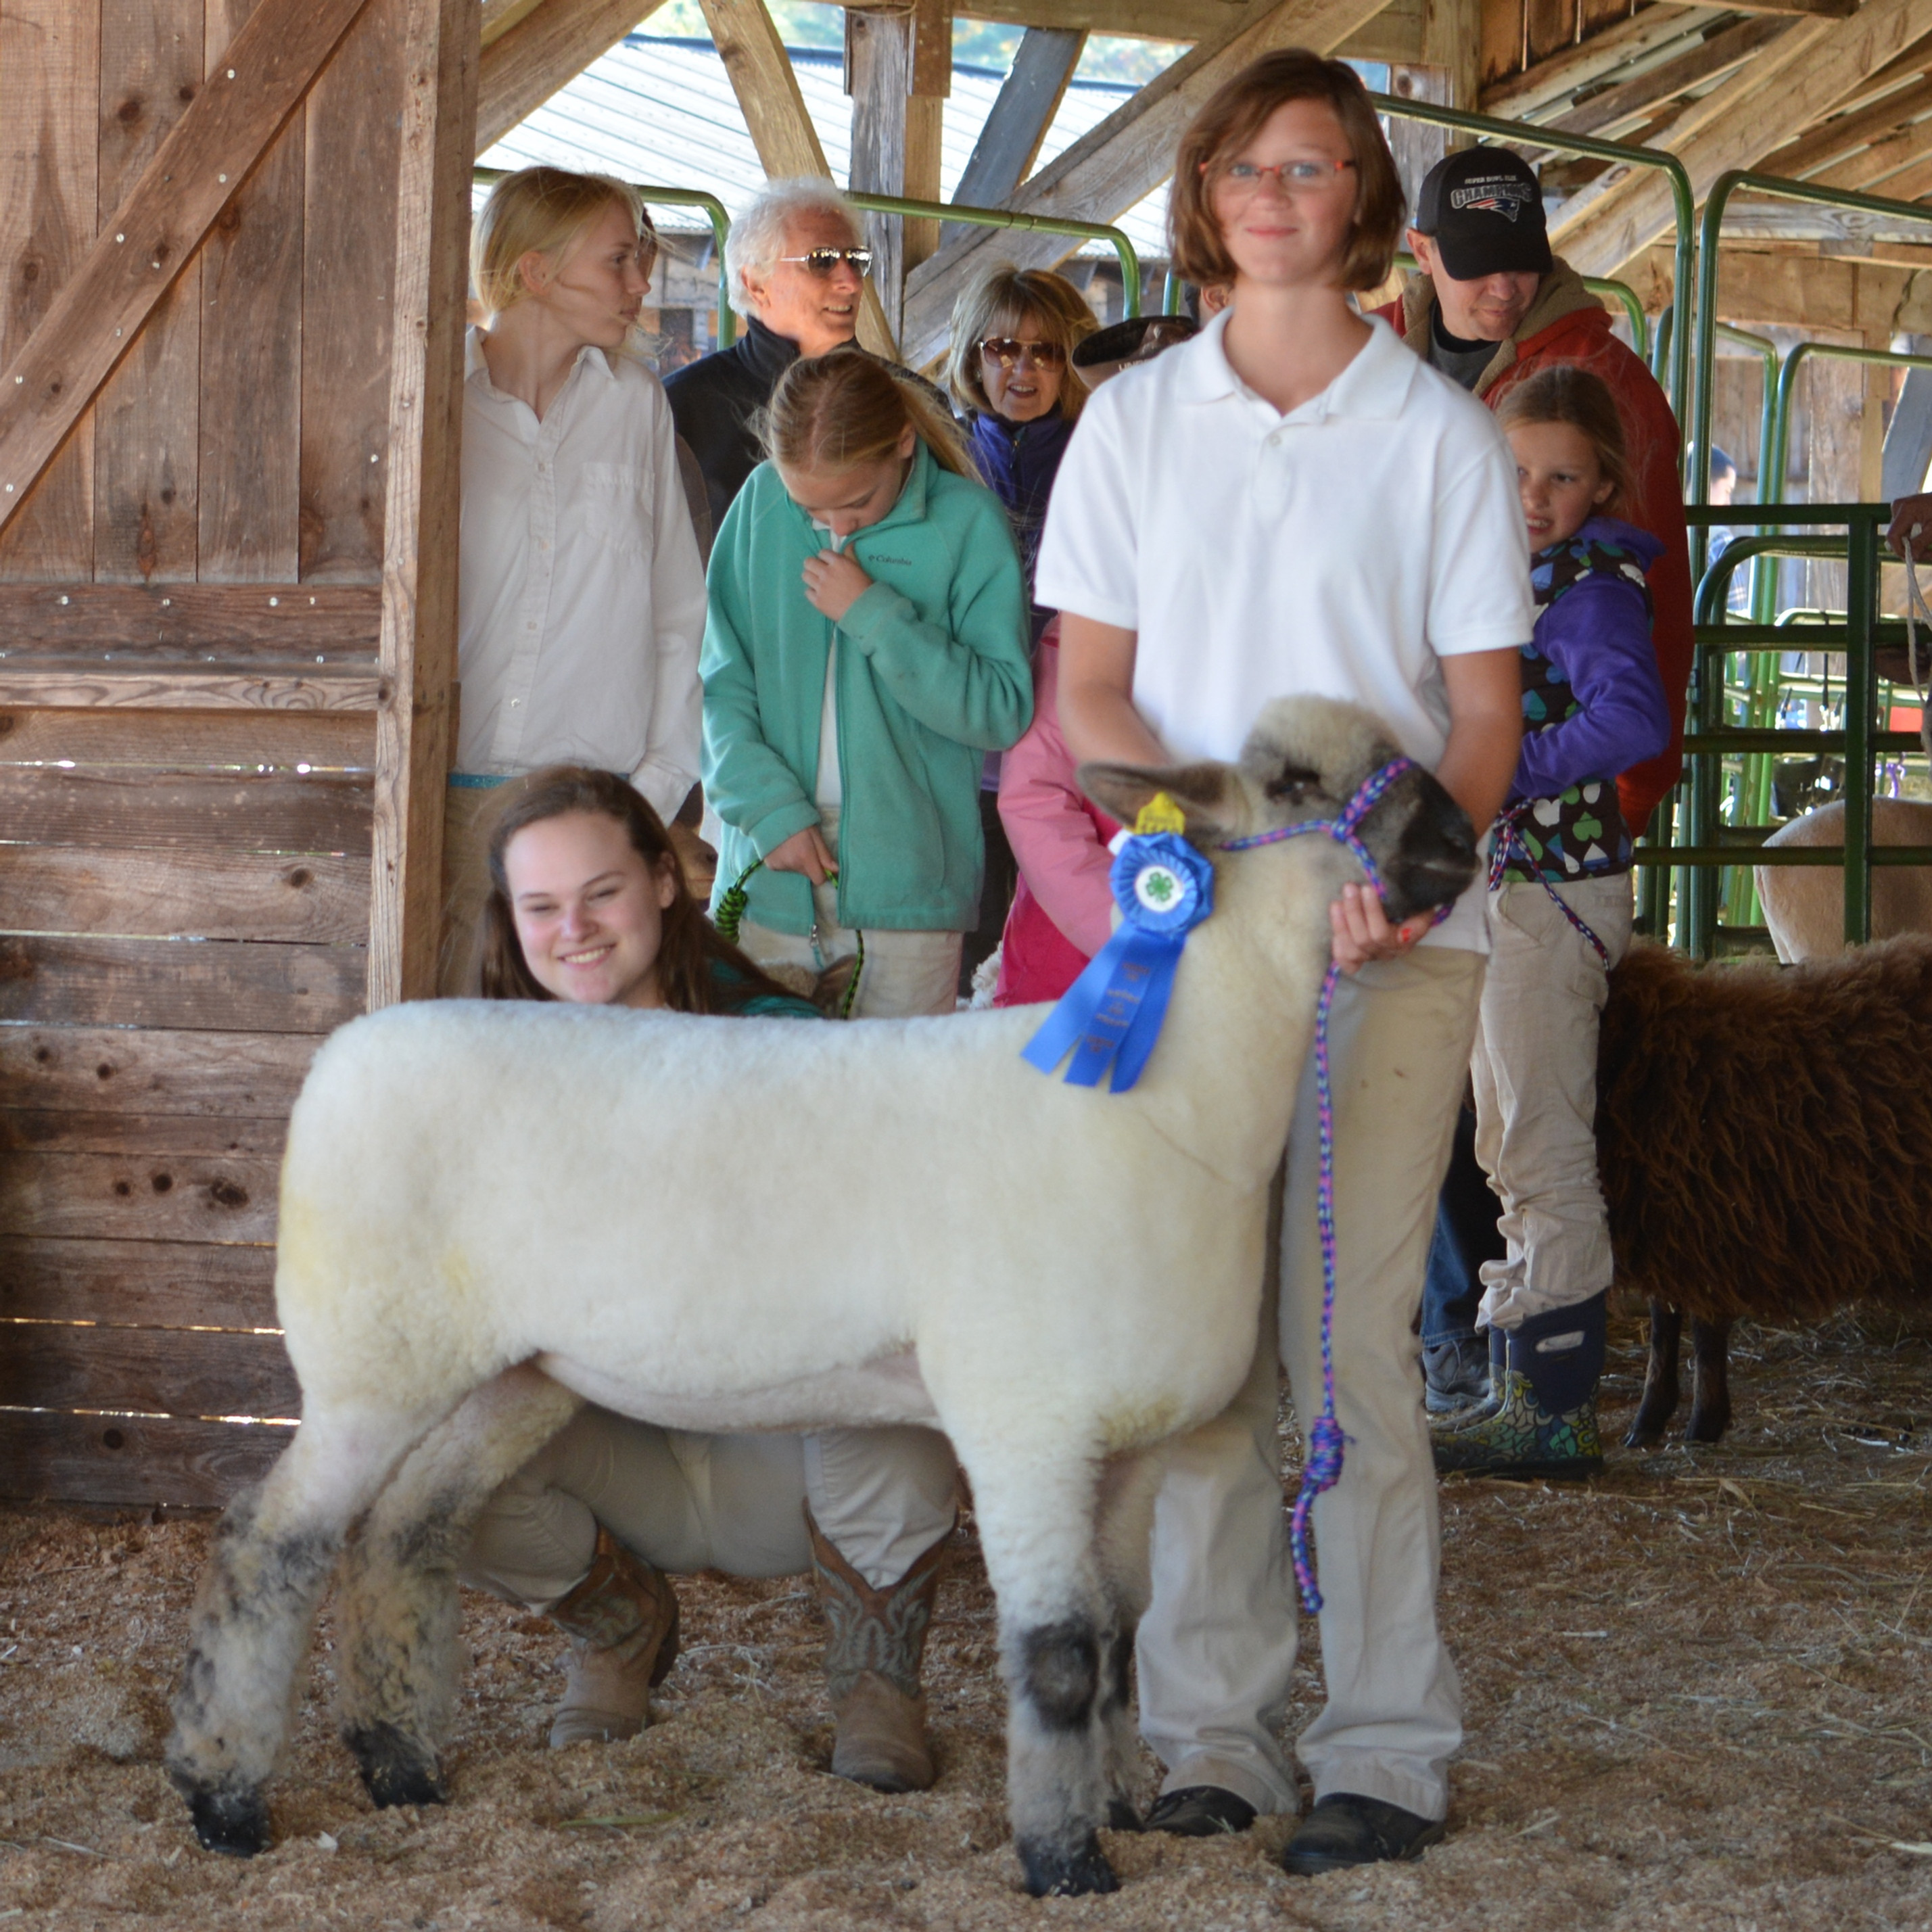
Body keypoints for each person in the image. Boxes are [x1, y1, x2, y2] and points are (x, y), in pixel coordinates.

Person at [1038, 49, 1530, 1874]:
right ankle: (1212, 1733)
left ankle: (1386, 1741)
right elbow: (1093, 692)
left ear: (1364, 202)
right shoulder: (1131, 423)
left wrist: (1401, 876)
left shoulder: (1439, 438)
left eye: (1308, 166)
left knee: (1350, 1348)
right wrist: (1203, 842)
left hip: (1388, 941)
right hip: (1198, 936)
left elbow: (1481, 716)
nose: (1270, 194)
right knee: (1208, 1341)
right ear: (1203, 197)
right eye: (1241, 166)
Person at [454, 766, 961, 1790]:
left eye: (602, 892)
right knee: (428, 1437)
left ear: (663, 881)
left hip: (796, 1454)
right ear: (511, 919)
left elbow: (893, 1259)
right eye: (542, 906)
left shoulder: (787, 1049)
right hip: (616, 1451)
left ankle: (877, 1681)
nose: (574, 930)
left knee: (895, 1371)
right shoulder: (485, 1078)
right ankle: (618, 1627)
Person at [1379, 147, 1694, 1412]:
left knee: (1531, 1130)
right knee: (1484, 1110)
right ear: (1421, 256)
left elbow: (1630, 690)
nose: (1501, 290)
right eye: (1475, 268)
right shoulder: (1379, 365)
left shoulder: (1599, 419)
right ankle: (1497, 1362)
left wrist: (1523, 774)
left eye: (1521, 266)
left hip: (1543, 860)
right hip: (1474, 843)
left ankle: (1541, 1385)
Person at [1431, 368, 1669, 1480]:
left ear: (1602, 486)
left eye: (1561, 477)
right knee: (1504, 1139)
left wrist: (1509, 768)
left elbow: (1633, 717)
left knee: (1539, 1145)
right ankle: (1520, 1383)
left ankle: (1557, 1407)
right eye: (1515, 470)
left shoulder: (1588, 589)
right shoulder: (1505, 576)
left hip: (1551, 891)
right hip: (1509, 889)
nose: (1533, 495)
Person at [702, 350, 1033, 1018]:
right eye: (810, 509)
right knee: (753, 1084)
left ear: (904, 443)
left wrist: (874, 615)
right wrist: (767, 811)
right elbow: (719, 689)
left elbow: (1000, 710)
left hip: (908, 895)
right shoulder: (760, 502)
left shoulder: (967, 521)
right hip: (767, 868)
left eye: (856, 503)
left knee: (891, 1090)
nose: (837, 528)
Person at [450, 166, 708, 993]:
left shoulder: (637, 404)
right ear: (536, 271)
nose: (640, 286)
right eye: (619, 261)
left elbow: (679, 613)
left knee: (590, 1051)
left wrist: (652, 792)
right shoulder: (433, 400)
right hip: (440, 801)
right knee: (455, 1041)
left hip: (599, 808)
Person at [945, 265, 1098, 991]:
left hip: (1068, 760)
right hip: (963, 754)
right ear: (973, 356)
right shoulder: (940, 461)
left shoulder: (1102, 458)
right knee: (962, 953)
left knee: (1057, 949)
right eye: (1003, 347)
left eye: (1047, 352)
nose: (1023, 369)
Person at [663, 180, 876, 532]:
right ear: (756, 284)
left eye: (857, 260)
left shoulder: (909, 402)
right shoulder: (679, 409)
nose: (850, 282)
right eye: (822, 261)